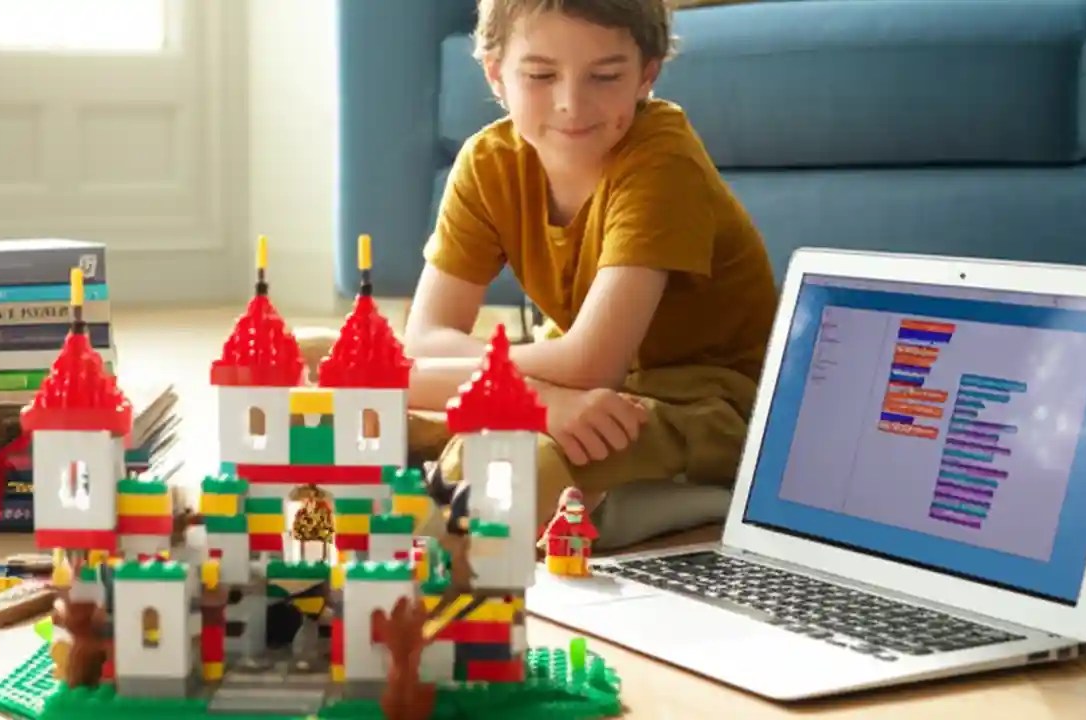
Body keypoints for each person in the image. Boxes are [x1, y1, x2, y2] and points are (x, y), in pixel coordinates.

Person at [304, 0, 777, 534]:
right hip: (575, 391)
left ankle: (662, 497)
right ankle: (457, 462)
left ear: (648, 75)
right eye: (540, 75)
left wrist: (416, 384)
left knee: (506, 467)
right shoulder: (489, 162)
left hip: (706, 403)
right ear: (495, 73)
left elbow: (591, 364)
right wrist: (542, 400)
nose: (571, 104)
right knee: (320, 376)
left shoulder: (662, 164)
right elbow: (427, 340)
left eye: (604, 76)